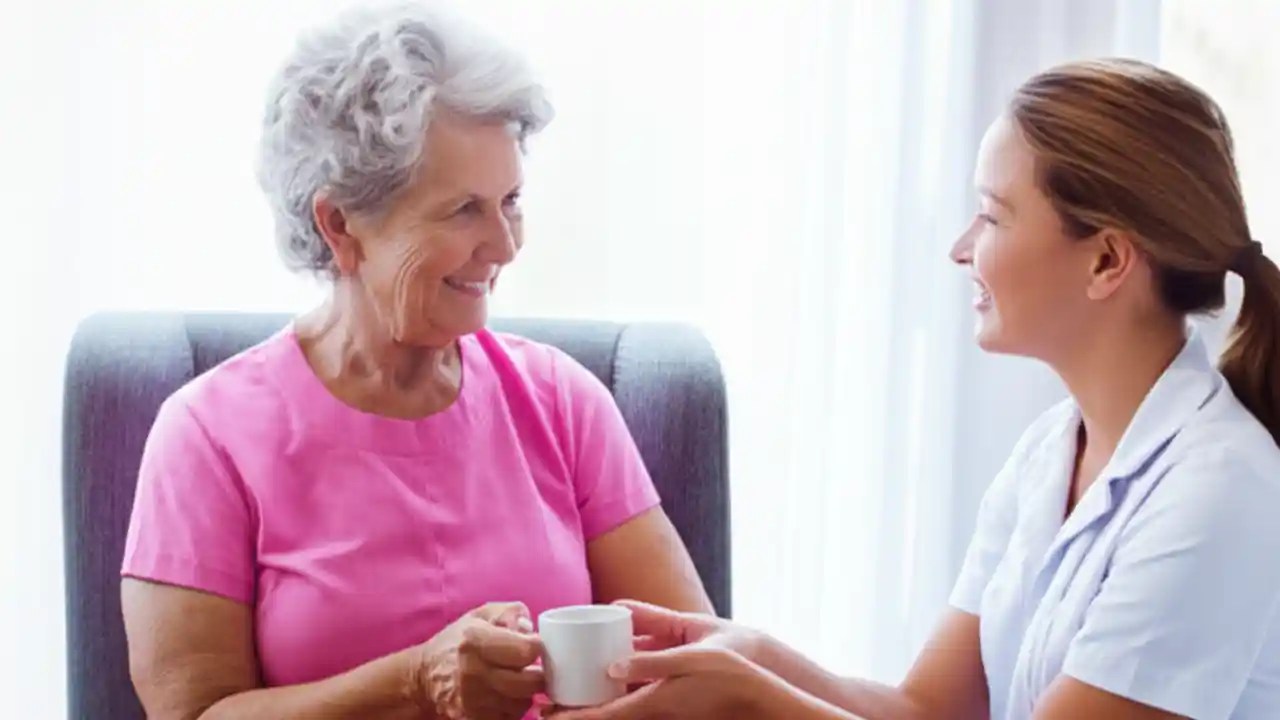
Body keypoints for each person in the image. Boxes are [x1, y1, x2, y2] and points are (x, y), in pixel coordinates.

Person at [553, 59, 1280, 720]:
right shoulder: (1052, 454)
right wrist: (747, 653)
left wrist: (750, 702)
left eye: (992, 215)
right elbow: (928, 708)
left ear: (1107, 261)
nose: (962, 247)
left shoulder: (1217, 490)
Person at [119, 4, 711, 719]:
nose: (505, 244)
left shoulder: (565, 403)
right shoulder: (208, 437)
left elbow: (696, 673)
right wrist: (415, 680)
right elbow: (194, 714)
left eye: (511, 201)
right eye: (464, 209)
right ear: (339, 225)